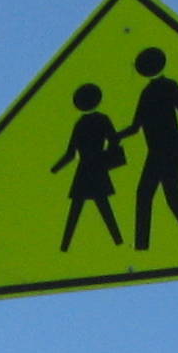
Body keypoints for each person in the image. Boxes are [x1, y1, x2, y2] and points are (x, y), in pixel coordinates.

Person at [116, 47, 178, 251]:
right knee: (158, 196)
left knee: (162, 196)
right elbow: (136, 127)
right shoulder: (147, 92)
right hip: (157, 153)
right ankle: (146, 246)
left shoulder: (168, 87)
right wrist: (116, 137)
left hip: (168, 151)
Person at [50, 82, 126, 251]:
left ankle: (65, 246)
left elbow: (70, 154)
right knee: (101, 207)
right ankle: (118, 242)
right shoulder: (102, 120)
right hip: (96, 168)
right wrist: (53, 170)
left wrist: (55, 169)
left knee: (79, 209)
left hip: (85, 170)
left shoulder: (81, 123)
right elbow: (114, 140)